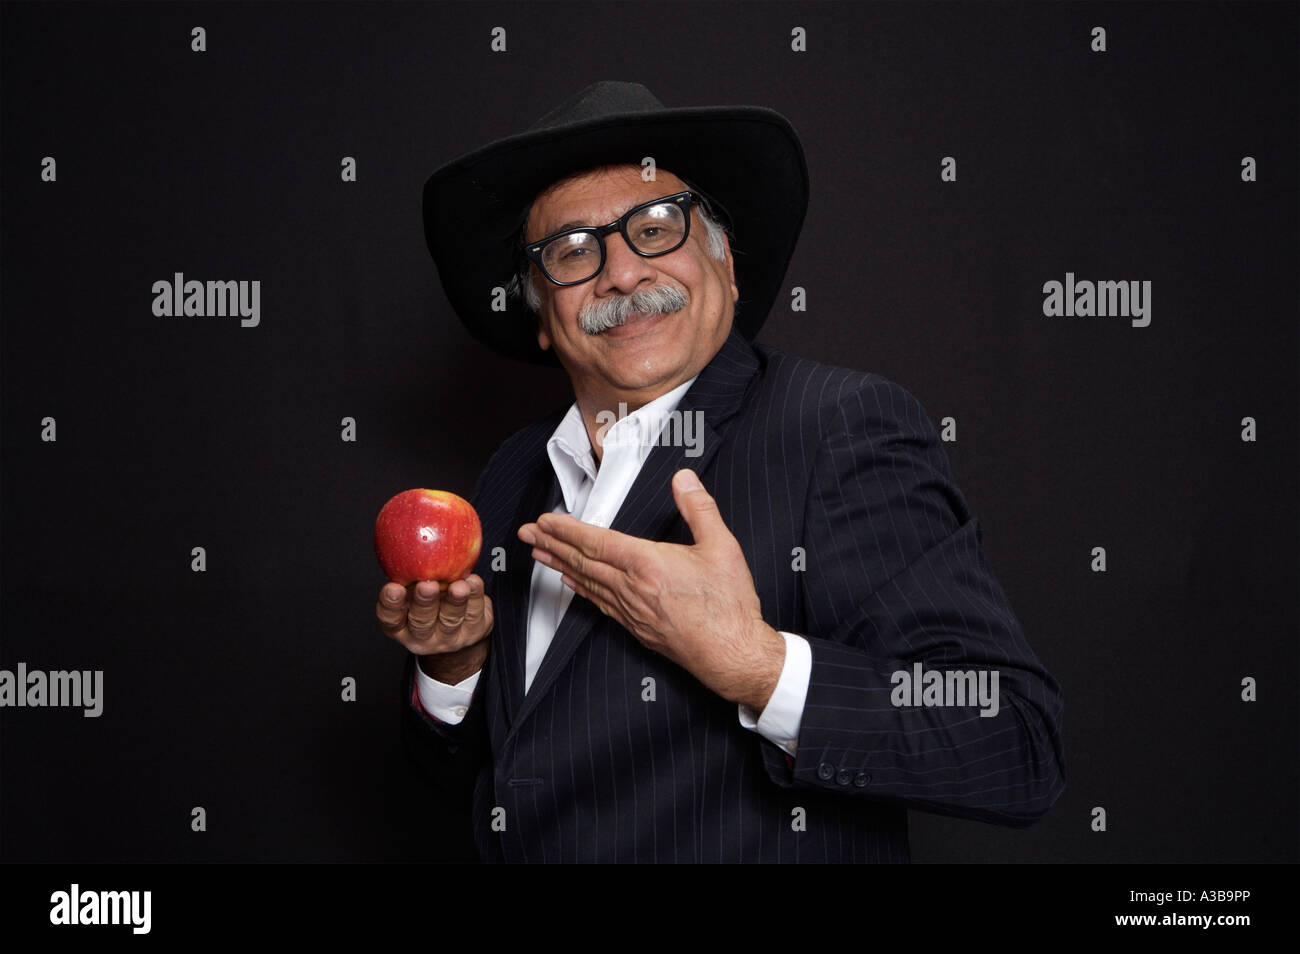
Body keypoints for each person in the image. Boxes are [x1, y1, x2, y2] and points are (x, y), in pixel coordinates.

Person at [377, 81, 1066, 862]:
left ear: (725, 263)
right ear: (540, 313)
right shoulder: (513, 473)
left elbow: (1016, 741)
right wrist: (453, 668)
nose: (622, 274)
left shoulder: (837, 425)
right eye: (572, 251)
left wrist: (758, 666)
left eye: (655, 228)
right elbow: (495, 785)